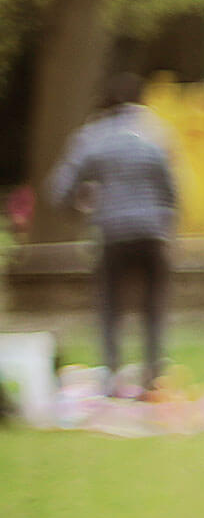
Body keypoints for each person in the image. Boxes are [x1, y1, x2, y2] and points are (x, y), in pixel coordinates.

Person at [47, 72, 176, 398]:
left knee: (109, 309)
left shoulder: (93, 138)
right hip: (152, 233)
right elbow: (171, 191)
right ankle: (152, 376)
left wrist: (82, 206)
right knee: (153, 308)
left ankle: (112, 377)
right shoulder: (157, 134)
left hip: (112, 233)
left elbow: (58, 190)